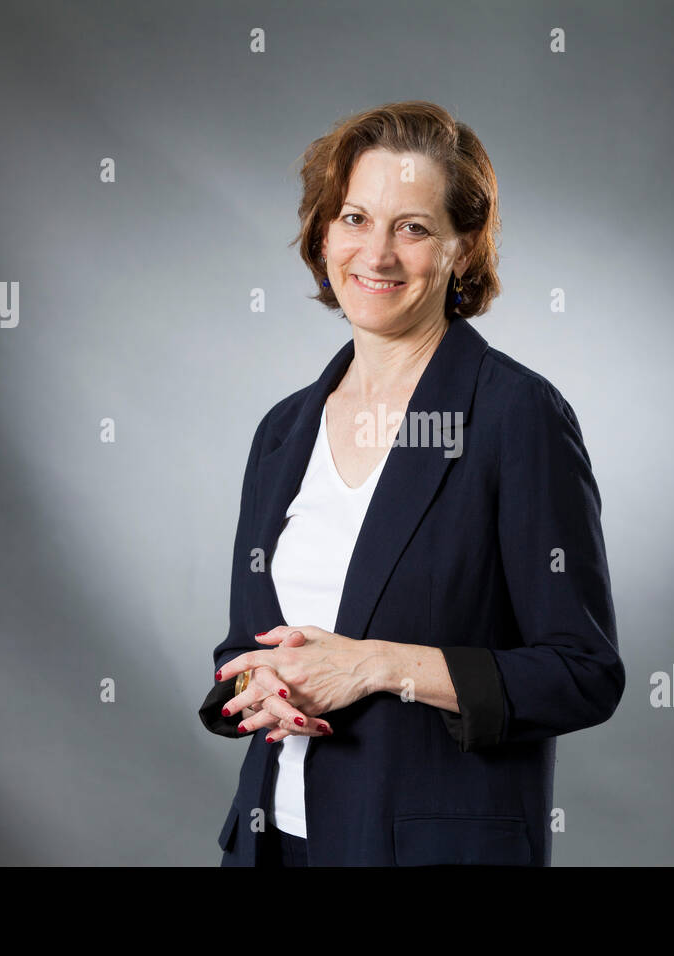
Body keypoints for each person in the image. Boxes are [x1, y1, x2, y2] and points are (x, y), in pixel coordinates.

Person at [198, 100, 625, 866]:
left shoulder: (516, 416)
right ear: (323, 234)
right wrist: (257, 688)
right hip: (273, 846)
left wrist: (377, 665)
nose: (378, 254)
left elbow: (582, 674)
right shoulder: (282, 432)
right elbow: (245, 646)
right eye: (356, 218)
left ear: (462, 249)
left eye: (414, 227)